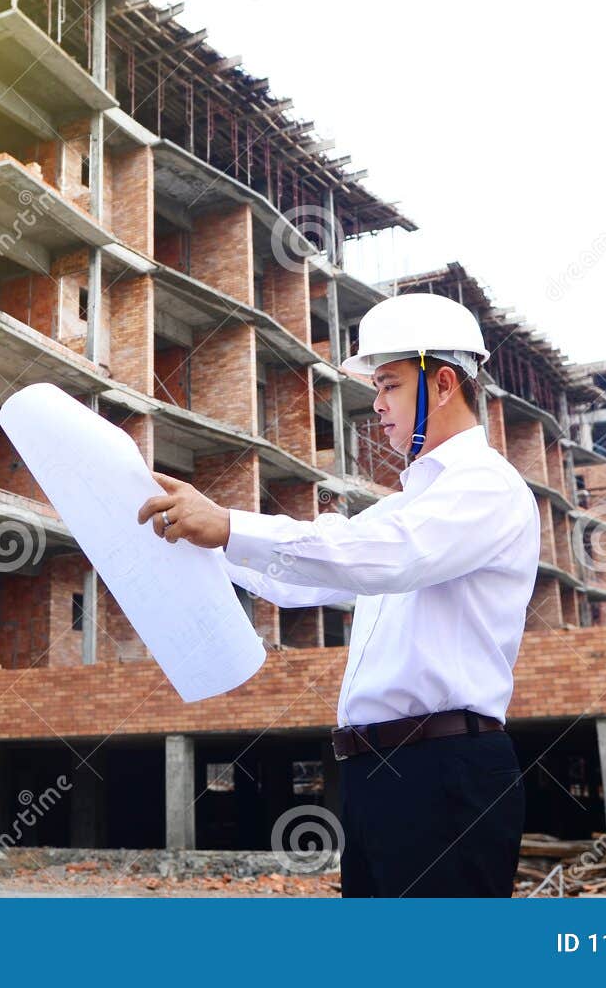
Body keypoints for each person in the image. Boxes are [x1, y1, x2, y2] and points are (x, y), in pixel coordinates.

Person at [136, 292, 540, 897]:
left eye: (390, 385)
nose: (376, 405)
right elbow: (306, 575)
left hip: (445, 772)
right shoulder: (409, 504)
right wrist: (200, 538)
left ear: (444, 383)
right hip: (379, 774)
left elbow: (387, 556)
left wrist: (228, 524)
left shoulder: (486, 487)